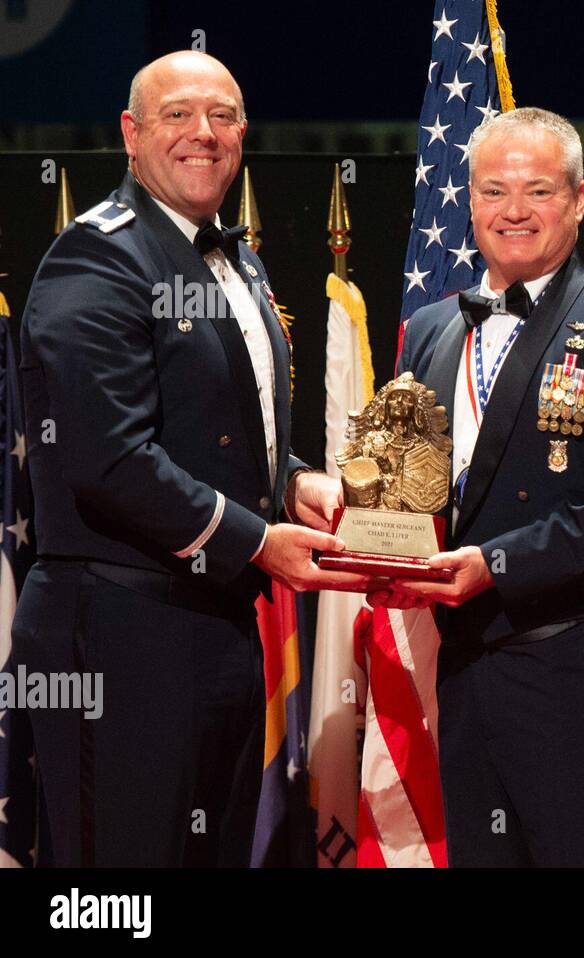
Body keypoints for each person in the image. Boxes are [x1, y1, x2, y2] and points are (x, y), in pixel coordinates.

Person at [14, 51, 367, 867]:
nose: (201, 134)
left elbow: (221, 430)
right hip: (117, 634)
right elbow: (110, 460)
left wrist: (294, 483)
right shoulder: (96, 257)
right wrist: (258, 540)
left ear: (243, 133)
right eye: (177, 115)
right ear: (131, 136)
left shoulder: (233, 256)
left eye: (222, 116)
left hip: (212, 629)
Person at [374, 107, 584, 866]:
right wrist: (379, 550)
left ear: (579, 201)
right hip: (467, 670)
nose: (514, 210)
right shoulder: (428, 330)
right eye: (493, 190)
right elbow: (405, 490)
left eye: (538, 190)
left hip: (582, 676)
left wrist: (498, 565)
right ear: (471, 201)